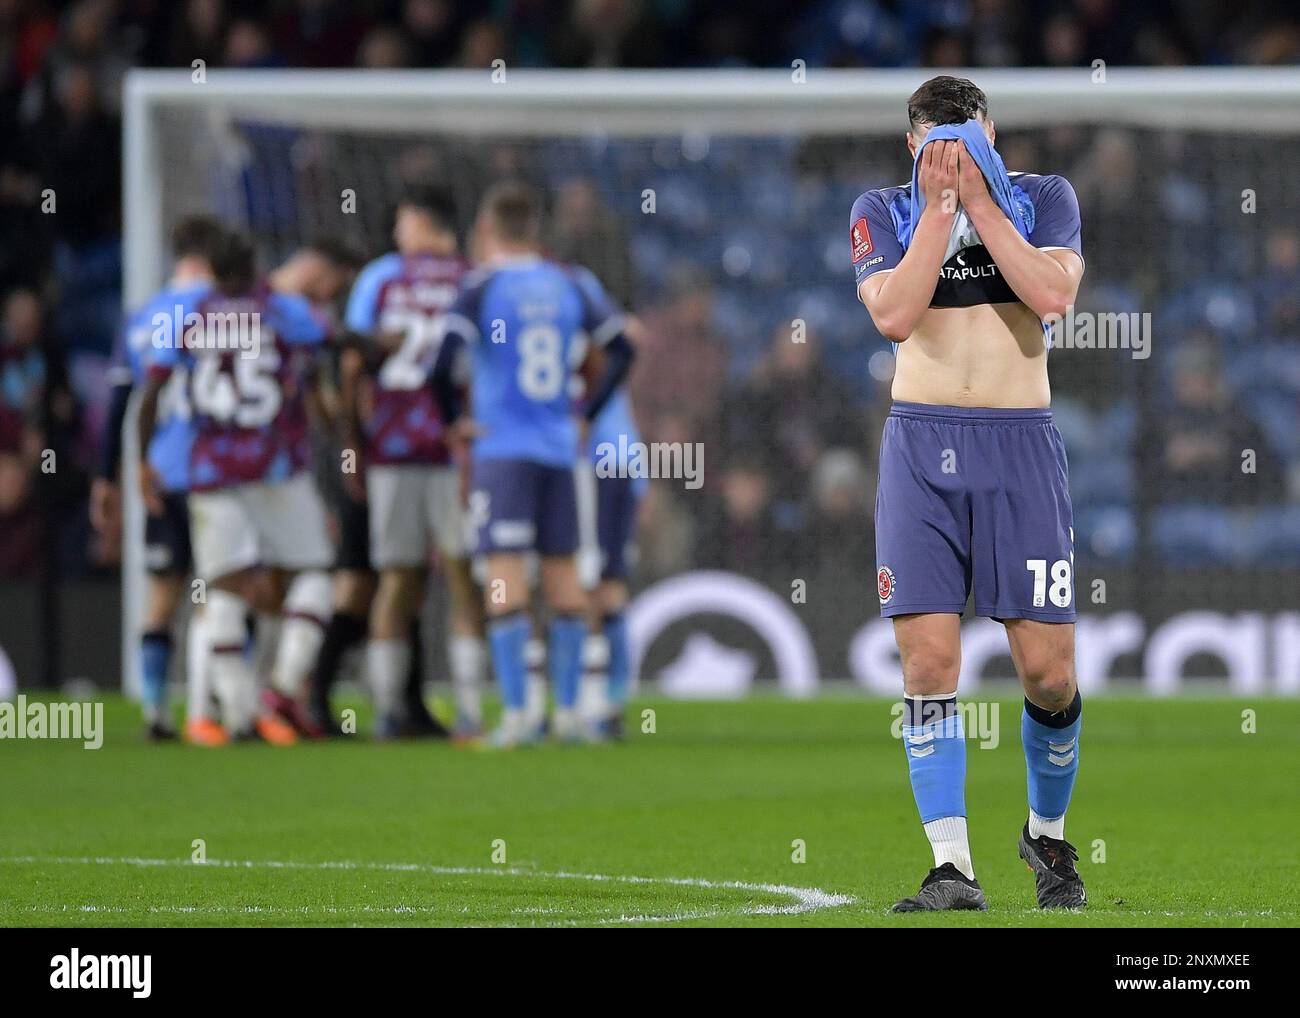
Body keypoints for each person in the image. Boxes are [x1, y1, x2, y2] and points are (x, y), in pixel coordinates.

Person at [852, 76, 1086, 911]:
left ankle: (1046, 838)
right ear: (913, 146)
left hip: (1020, 447)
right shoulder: (882, 210)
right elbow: (895, 314)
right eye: (942, 146)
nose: (959, 157)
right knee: (928, 662)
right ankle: (952, 866)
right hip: (920, 446)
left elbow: (1054, 296)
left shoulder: (1044, 198)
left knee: (1049, 675)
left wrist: (983, 203)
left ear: (995, 135)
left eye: (974, 141)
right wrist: (939, 212)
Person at [431, 181, 635, 747]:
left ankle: (520, 714)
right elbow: (623, 349)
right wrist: (587, 411)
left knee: (504, 579)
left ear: (487, 231)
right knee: (565, 579)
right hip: (559, 453)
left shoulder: (480, 288)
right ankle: (569, 714)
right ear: (535, 231)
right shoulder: (568, 283)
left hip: (501, 452)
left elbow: (440, 363)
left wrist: (454, 422)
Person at [138, 232, 335, 743]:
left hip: (212, 471)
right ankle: (283, 686)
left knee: (223, 587)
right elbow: (329, 339)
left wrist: (141, 462)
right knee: (313, 576)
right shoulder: (279, 309)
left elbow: (151, 389)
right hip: (275, 467)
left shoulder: (192, 314)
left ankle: (239, 715)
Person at [338, 185, 486, 739]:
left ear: (421, 221)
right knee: (464, 577)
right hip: (458, 450)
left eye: (402, 221)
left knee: (396, 581)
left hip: (392, 447)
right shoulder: (474, 278)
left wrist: (353, 440)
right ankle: (471, 712)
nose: (398, 233)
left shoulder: (380, 277)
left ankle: (386, 713)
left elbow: (353, 363)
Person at [92, 215, 225, 742]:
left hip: (159, 474)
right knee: (215, 593)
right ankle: (207, 706)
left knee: (161, 594)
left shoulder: (140, 317)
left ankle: (154, 710)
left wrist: (106, 480)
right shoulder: (221, 310)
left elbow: (120, 404)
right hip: (218, 471)